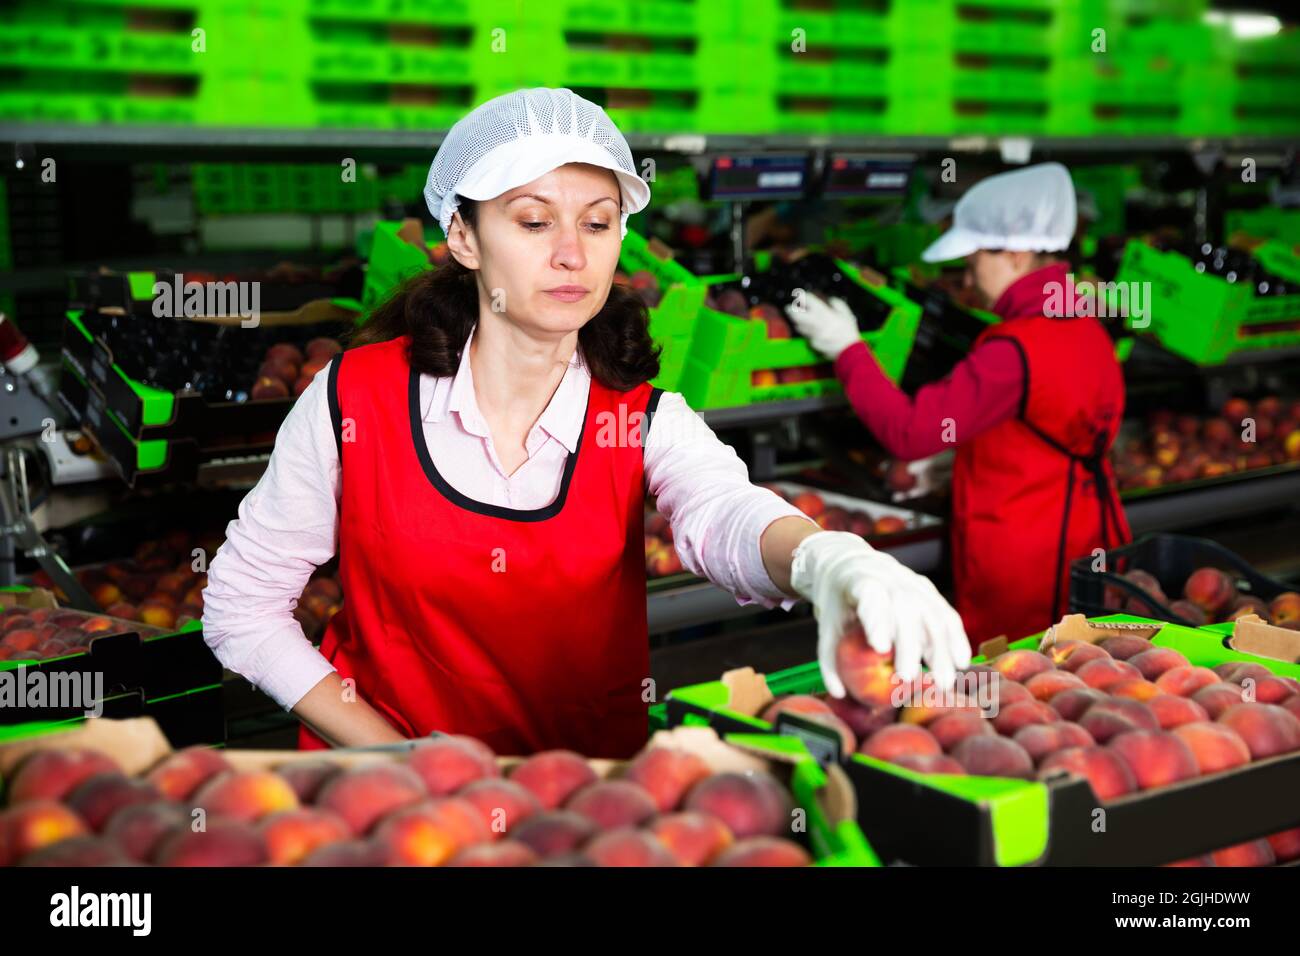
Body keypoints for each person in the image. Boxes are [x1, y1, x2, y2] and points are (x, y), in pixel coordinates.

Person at [201, 88, 969, 757]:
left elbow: (723, 512)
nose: (572, 253)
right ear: (463, 237)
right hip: (397, 809)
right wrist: (395, 755)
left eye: (598, 225)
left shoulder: (639, 418)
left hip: (588, 806)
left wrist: (826, 560)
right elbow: (240, 607)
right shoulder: (353, 401)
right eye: (534, 222)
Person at [788, 163, 1131, 650]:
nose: (968, 275)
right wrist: (966, 457)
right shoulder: (1083, 322)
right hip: (1082, 536)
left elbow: (909, 433)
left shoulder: (1014, 348)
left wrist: (847, 350)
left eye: (973, 258)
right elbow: (1052, 424)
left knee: (1012, 684)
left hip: (1025, 560)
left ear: (1015, 253)